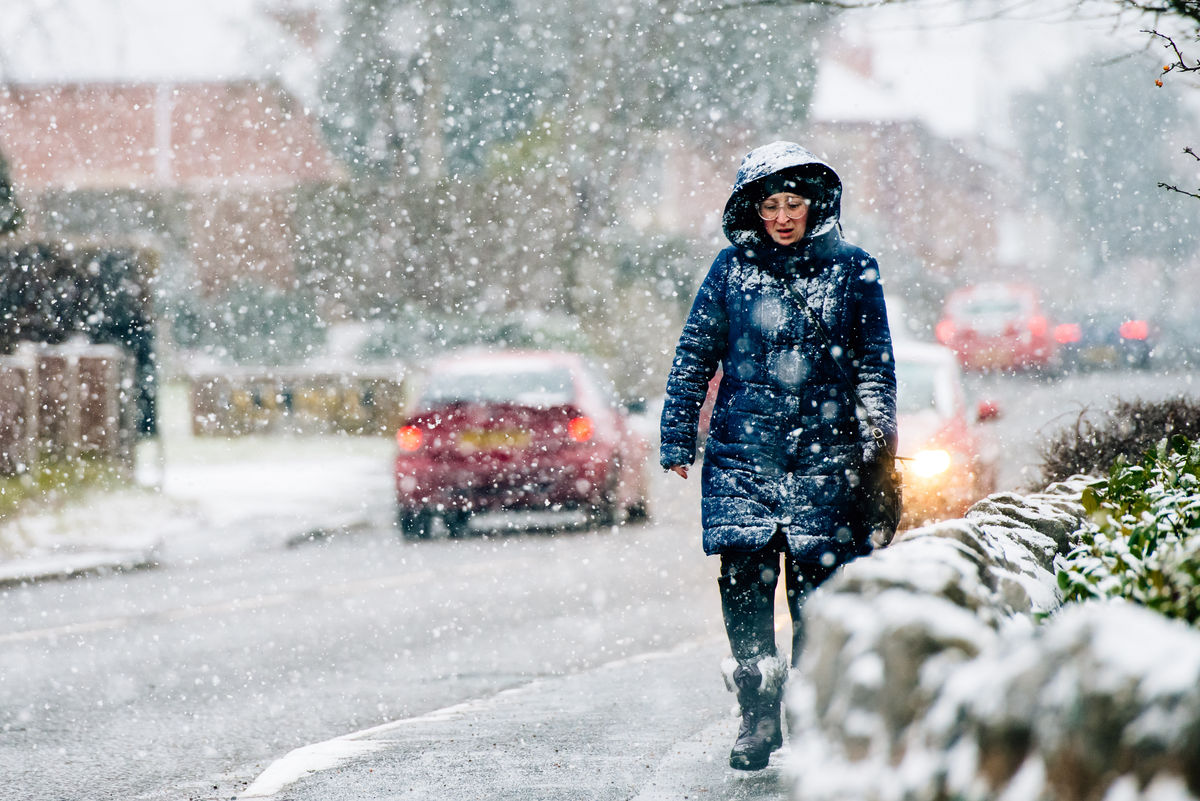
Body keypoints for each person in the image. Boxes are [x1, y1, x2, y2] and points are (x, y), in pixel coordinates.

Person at [659, 141, 897, 771]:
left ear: (815, 206)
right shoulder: (729, 272)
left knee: (818, 595)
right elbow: (693, 357)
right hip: (743, 457)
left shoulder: (853, 270)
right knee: (743, 587)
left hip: (828, 459)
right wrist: (678, 436)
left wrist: (879, 446)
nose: (783, 217)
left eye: (794, 203)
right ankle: (757, 715)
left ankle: (814, 714)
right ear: (753, 209)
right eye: (771, 205)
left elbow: (875, 368)